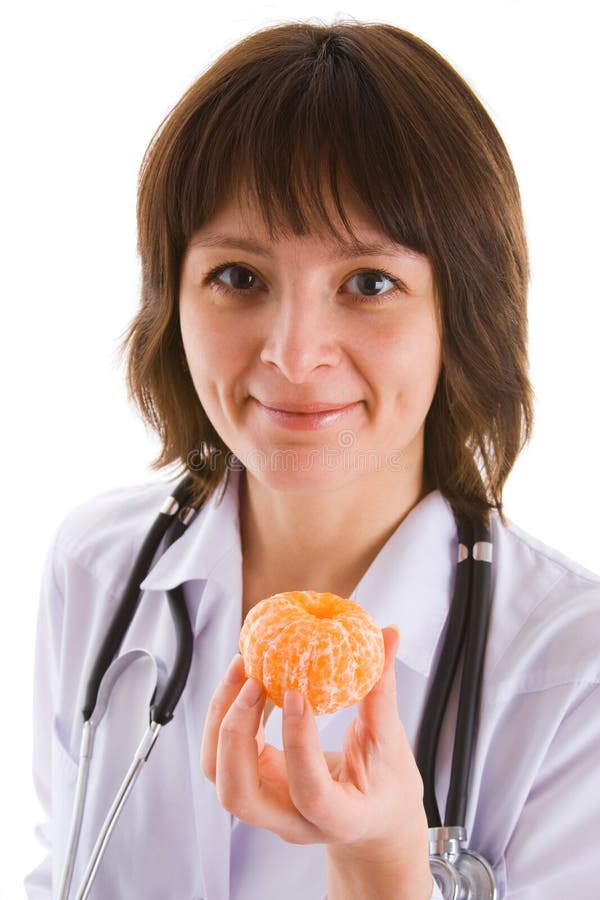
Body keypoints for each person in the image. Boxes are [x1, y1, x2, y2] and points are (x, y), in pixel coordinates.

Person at [25, 18, 600, 900]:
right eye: (240, 277)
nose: (295, 356)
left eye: (369, 283)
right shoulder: (96, 570)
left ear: (464, 311)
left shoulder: (571, 668)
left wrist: (383, 869)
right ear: (170, 297)